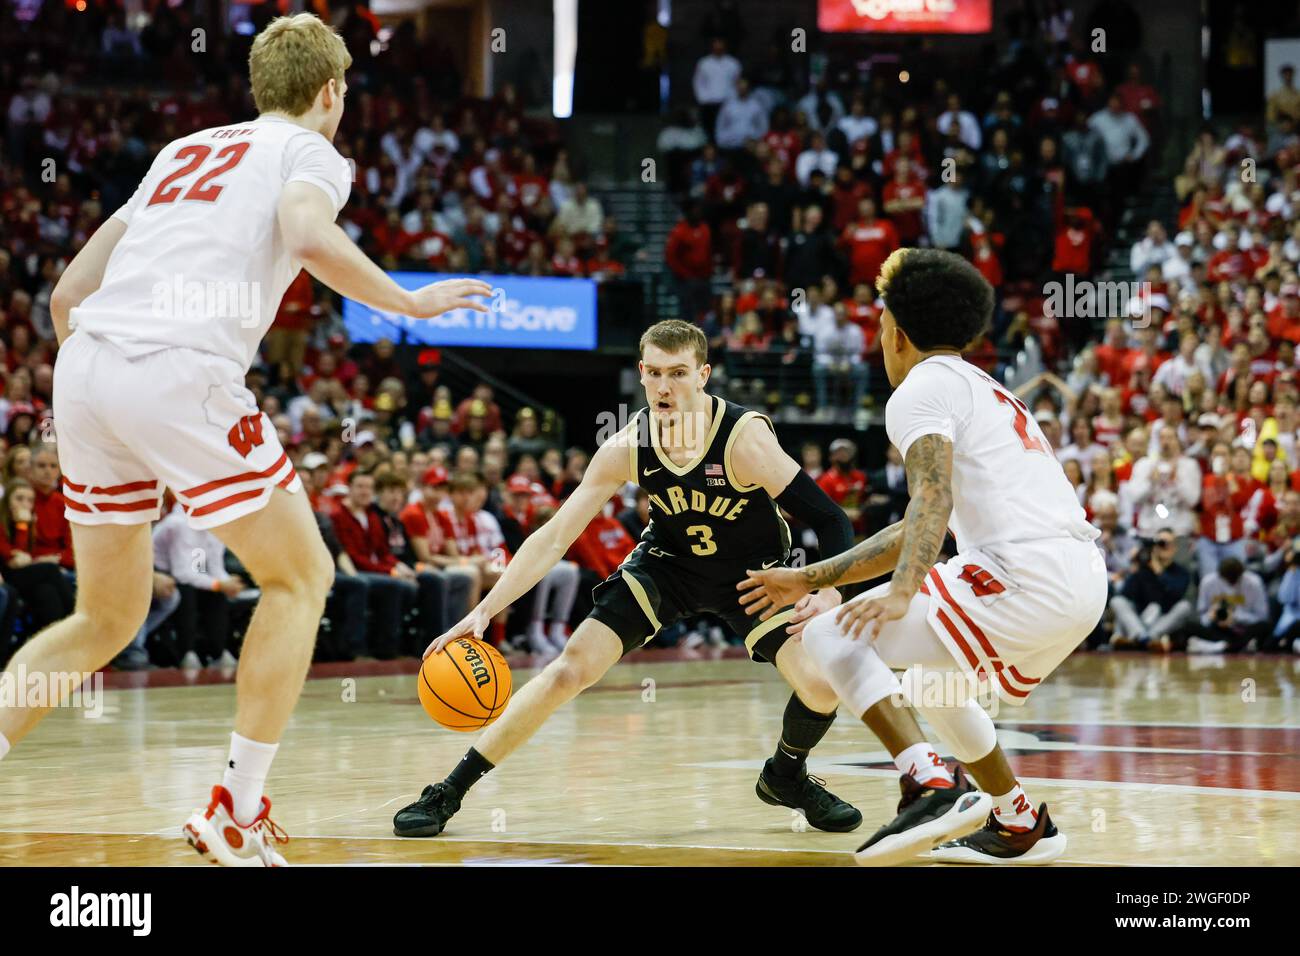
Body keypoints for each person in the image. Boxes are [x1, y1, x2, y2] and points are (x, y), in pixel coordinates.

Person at [0, 14, 492, 867]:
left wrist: (120, 403)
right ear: (331, 91)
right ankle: (237, 807)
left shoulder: (182, 149)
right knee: (302, 576)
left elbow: (66, 296)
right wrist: (408, 302)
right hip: (177, 370)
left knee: (103, 615)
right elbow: (305, 234)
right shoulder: (311, 153)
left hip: (84, 368)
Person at [392, 320, 862, 838]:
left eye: (678, 373)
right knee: (568, 670)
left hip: (752, 576)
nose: (664, 387)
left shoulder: (743, 440)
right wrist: (484, 610)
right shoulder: (626, 446)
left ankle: (785, 776)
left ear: (703, 375)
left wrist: (828, 590)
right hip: (668, 565)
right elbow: (554, 536)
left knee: (822, 684)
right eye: (654, 373)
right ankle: (448, 791)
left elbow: (830, 519)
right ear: (640, 373)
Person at [740, 249, 1107, 865]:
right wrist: (808, 576)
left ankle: (929, 786)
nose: (879, 340)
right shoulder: (984, 387)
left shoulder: (920, 389)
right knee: (936, 686)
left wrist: (902, 591)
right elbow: (916, 523)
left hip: (1026, 574)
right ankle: (1019, 821)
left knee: (827, 635)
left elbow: (931, 499)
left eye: (881, 326)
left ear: (899, 335)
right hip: (1081, 579)